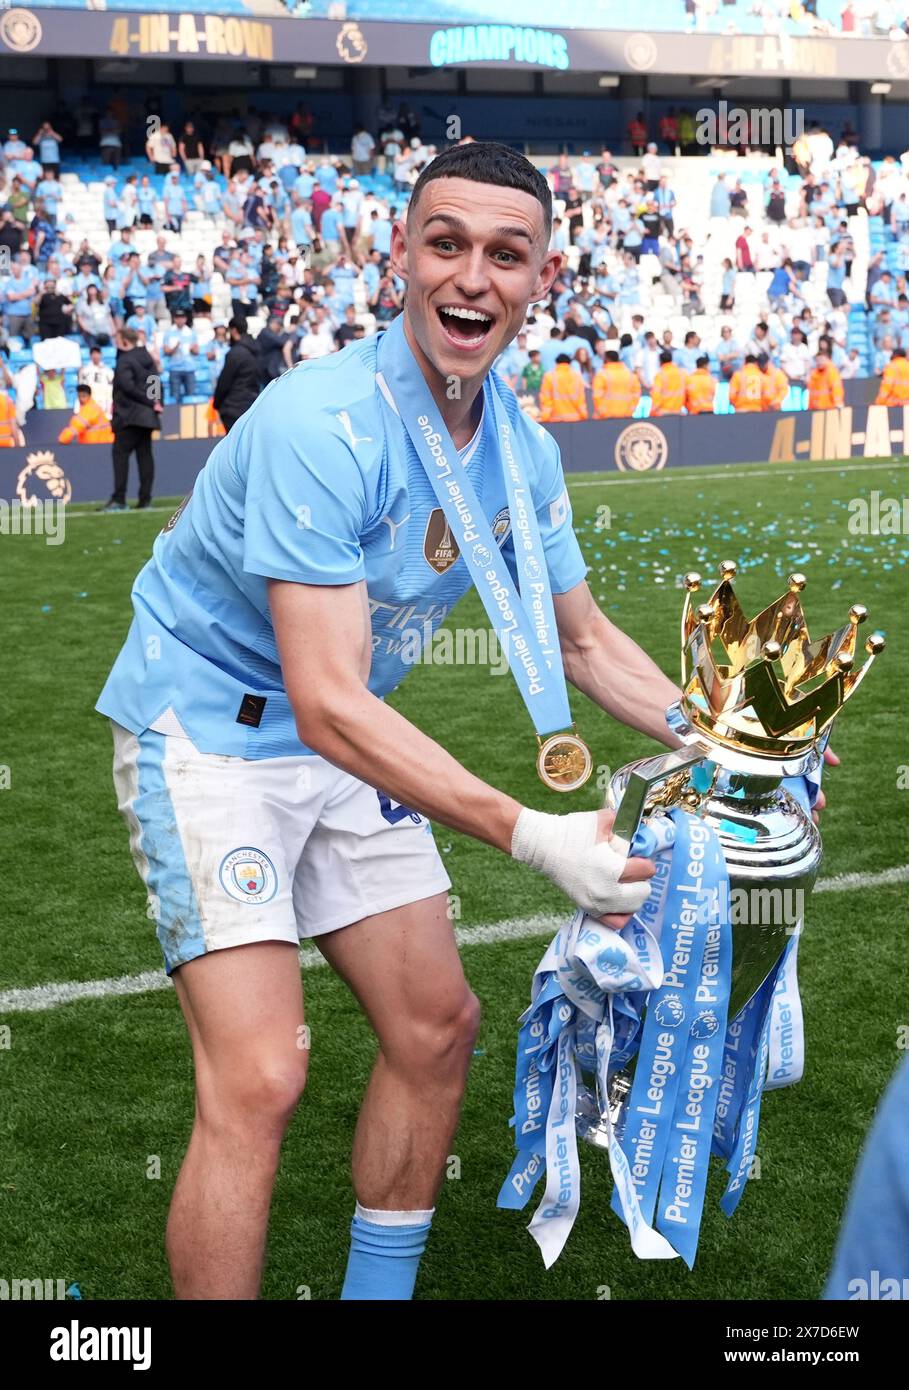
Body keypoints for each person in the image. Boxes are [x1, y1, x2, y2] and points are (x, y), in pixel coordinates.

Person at [93, 140, 677, 1303]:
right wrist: (531, 832)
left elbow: (586, 641)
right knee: (260, 1075)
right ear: (400, 256)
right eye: (445, 243)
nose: (471, 277)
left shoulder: (522, 448)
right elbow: (325, 696)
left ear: (540, 279)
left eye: (504, 254)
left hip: (346, 739)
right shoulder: (323, 419)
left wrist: (730, 738)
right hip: (211, 730)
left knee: (435, 1026)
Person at [102, 326, 161, 512]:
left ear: (125, 342)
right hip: (146, 417)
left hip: (129, 416)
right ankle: (145, 499)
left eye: (118, 340)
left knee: (120, 455)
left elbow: (126, 386)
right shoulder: (147, 359)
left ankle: (119, 499)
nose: (116, 344)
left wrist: (148, 402)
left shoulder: (125, 360)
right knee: (145, 456)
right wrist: (155, 402)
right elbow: (155, 381)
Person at [212, 315, 261, 431]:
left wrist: (216, 404)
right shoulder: (257, 350)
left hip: (234, 407)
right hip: (253, 405)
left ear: (233, 330)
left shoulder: (235, 353)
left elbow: (224, 383)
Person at [539, 351, 588, 421]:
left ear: (556, 363)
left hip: (555, 419)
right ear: (569, 363)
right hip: (575, 419)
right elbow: (581, 399)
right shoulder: (577, 376)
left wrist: (544, 417)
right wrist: (584, 415)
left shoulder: (549, 377)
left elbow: (546, 400)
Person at [592, 349, 641, 418]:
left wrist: (603, 413)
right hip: (626, 416)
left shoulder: (602, 375)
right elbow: (637, 394)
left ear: (607, 359)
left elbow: (597, 396)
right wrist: (631, 410)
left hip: (605, 418)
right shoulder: (630, 375)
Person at [649, 350, 686, 415]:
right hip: (678, 412)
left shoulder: (660, 375)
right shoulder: (682, 374)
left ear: (660, 362)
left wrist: (652, 411)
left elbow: (656, 395)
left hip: (663, 413)